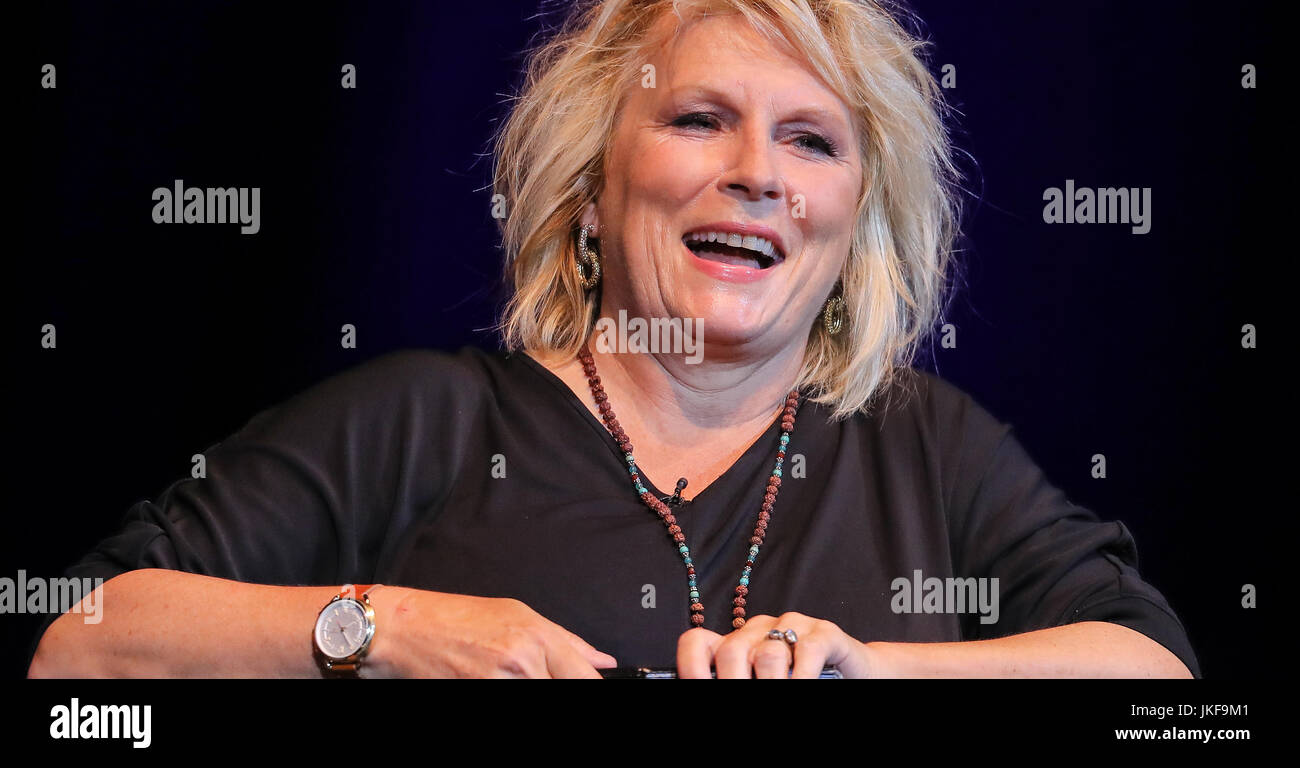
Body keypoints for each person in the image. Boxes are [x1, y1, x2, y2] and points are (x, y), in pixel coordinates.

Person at [27, 0, 1197, 679]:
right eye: (699, 121)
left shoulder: (931, 452)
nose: (756, 175)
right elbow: (72, 657)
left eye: (811, 141)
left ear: (854, 224)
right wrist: (385, 628)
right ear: (591, 190)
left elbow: (1161, 691)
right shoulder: (423, 422)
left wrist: (875, 669)